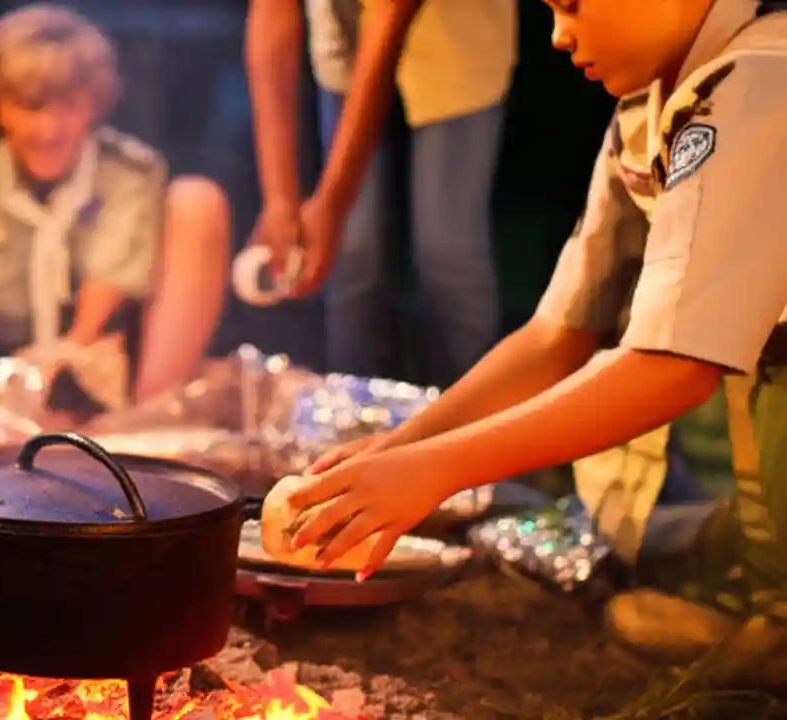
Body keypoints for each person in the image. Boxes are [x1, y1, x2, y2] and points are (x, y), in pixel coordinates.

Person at [275, 0, 787, 674]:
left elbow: (676, 364)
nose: (558, 35)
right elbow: (561, 330)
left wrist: (437, 470)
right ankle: (765, 602)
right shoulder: (654, 102)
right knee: (678, 543)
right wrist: (407, 446)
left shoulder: (759, 80)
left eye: (573, 4)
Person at [0, 4, 231, 411]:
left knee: (198, 200)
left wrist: (60, 361)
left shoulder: (131, 171)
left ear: (96, 105)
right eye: (31, 107)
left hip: (91, 366)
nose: (49, 129)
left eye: (68, 106)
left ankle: (145, 421)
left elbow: (107, 285)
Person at [245, 0, 515, 387]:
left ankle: (465, 422)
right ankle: (349, 421)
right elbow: (272, 12)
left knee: (447, 252)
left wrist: (332, 205)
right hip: (343, 44)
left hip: (458, 44)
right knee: (352, 254)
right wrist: (279, 201)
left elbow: (389, 19)